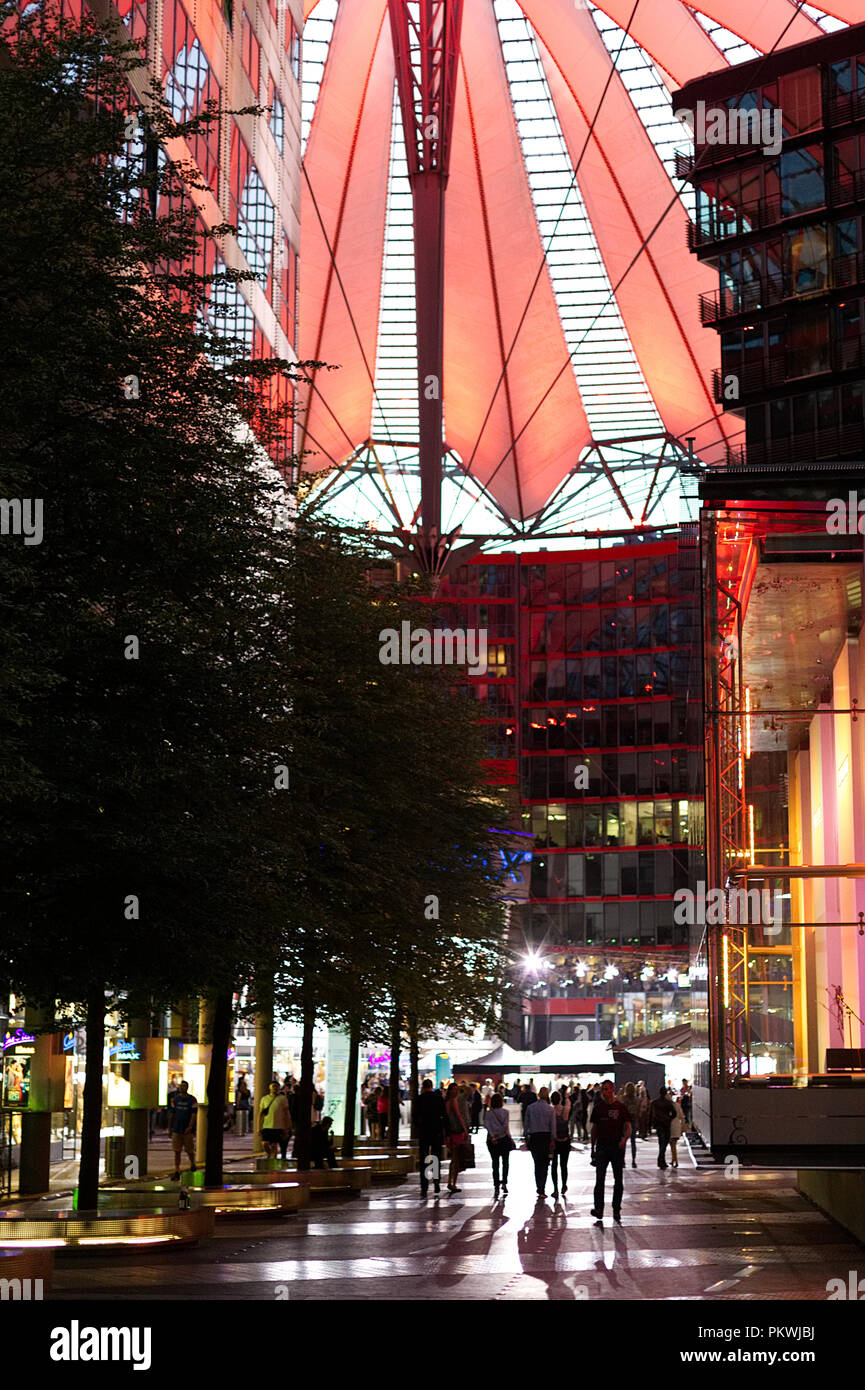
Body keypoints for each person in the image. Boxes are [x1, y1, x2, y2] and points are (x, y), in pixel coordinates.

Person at [589, 1079, 631, 1225]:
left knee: (618, 1180)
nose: (604, 1092)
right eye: (603, 1090)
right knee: (599, 1179)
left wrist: (624, 1140)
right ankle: (599, 1208)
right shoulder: (598, 1107)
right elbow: (594, 1129)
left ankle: (616, 1208)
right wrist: (592, 1147)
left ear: (612, 1089)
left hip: (616, 1148)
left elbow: (628, 1126)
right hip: (602, 1147)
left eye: (607, 1089)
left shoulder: (621, 1107)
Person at [416, 1078, 447, 1198]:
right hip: (436, 1131)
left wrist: (420, 1126)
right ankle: (436, 1181)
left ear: (423, 1087)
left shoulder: (420, 1099)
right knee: (435, 1157)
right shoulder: (438, 1098)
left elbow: (415, 1116)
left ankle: (424, 1185)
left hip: (424, 1131)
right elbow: (444, 1115)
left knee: (424, 1157)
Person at [524, 1085, 556, 1198]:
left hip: (534, 1137)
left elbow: (526, 1124)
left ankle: (539, 1186)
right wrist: (553, 1139)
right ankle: (542, 1187)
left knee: (537, 1163)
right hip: (546, 1137)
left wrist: (525, 1136)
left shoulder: (530, 1108)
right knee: (545, 1163)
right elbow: (552, 1126)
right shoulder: (550, 1108)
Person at [483, 1091, 512, 1198]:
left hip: (491, 1140)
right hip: (503, 1139)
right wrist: (500, 1135)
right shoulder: (506, 1112)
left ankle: (496, 1185)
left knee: (495, 1163)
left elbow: (486, 1125)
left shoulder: (488, 1113)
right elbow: (505, 1126)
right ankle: (504, 1183)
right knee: (505, 1162)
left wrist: (493, 1136)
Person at [169, 1079, 198, 1181]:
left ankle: (193, 1164)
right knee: (177, 1151)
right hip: (177, 1129)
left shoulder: (192, 1100)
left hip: (187, 1130)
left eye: (184, 1086)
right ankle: (177, 1170)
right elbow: (172, 1113)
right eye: (181, 1086)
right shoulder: (175, 1099)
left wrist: (190, 1126)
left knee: (189, 1150)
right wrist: (170, 1128)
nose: (182, 1088)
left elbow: (194, 1115)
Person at [444, 1082, 469, 1193]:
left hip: (449, 1132)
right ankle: (452, 1183)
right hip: (455, 1131)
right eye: (454, 1089)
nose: (455, 1091)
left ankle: (451, 1181)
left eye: (457, 1089)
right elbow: (458, 1116)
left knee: (454, 1159)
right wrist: (465, 1129)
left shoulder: (445, 1101)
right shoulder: (453, 1101)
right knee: (456, 1159)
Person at [259, 1081, 290, 1160]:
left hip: (278, 1126)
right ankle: (270, 1155)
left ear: (279, 1088)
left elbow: (287, 1113)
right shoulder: (264, 1099)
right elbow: (260, 1114)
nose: (275, 1088)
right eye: (273, 1086)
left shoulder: (282, 1098)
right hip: (266, 1125)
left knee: (274, 1145)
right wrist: (258, 1127)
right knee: (264, 1143)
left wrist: (287, 1126)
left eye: (276, 1086)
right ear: (270, 1088)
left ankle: (273, 1160)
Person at [650, 1082, 677, 1169]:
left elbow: (650, 1114)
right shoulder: (668, 1103)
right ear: (666, 1093)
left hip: (658, 1124)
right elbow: (674, 1113)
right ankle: (661, 1160)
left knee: (661, 1142)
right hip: (666, 1124)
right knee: (664, 1143)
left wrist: (650, 1125)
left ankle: (661, 1160)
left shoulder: (654, 1103)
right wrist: (669, 1119)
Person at [550, 1089, 571, 1197]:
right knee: (564, 1165)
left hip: (554, 1141)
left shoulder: (550, 1111)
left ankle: (555, 1189)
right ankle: (564, 1185)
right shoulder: (565, 1110)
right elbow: (569, 1105)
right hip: (565, 1140)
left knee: (554, 1165)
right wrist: (566, 1097)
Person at [622, 1081, 640, 1168]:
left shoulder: (624, 1098)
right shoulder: (636, 1099)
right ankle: (633, 1160)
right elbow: (638, 1110)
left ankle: (623, 1161)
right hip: (633, 1121)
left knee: (624, 1141)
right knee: (633, 1141)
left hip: (625, 1122)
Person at [669, 1093, 686, 1168]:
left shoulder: (668, 1106)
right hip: (677, 1126)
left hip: (670, 1126)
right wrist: (683, 1127)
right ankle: (674, 1159)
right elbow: (681, 1116)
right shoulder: (677, 1105)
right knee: (673, 1144)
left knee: (672, 1144)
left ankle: (675, 1160)